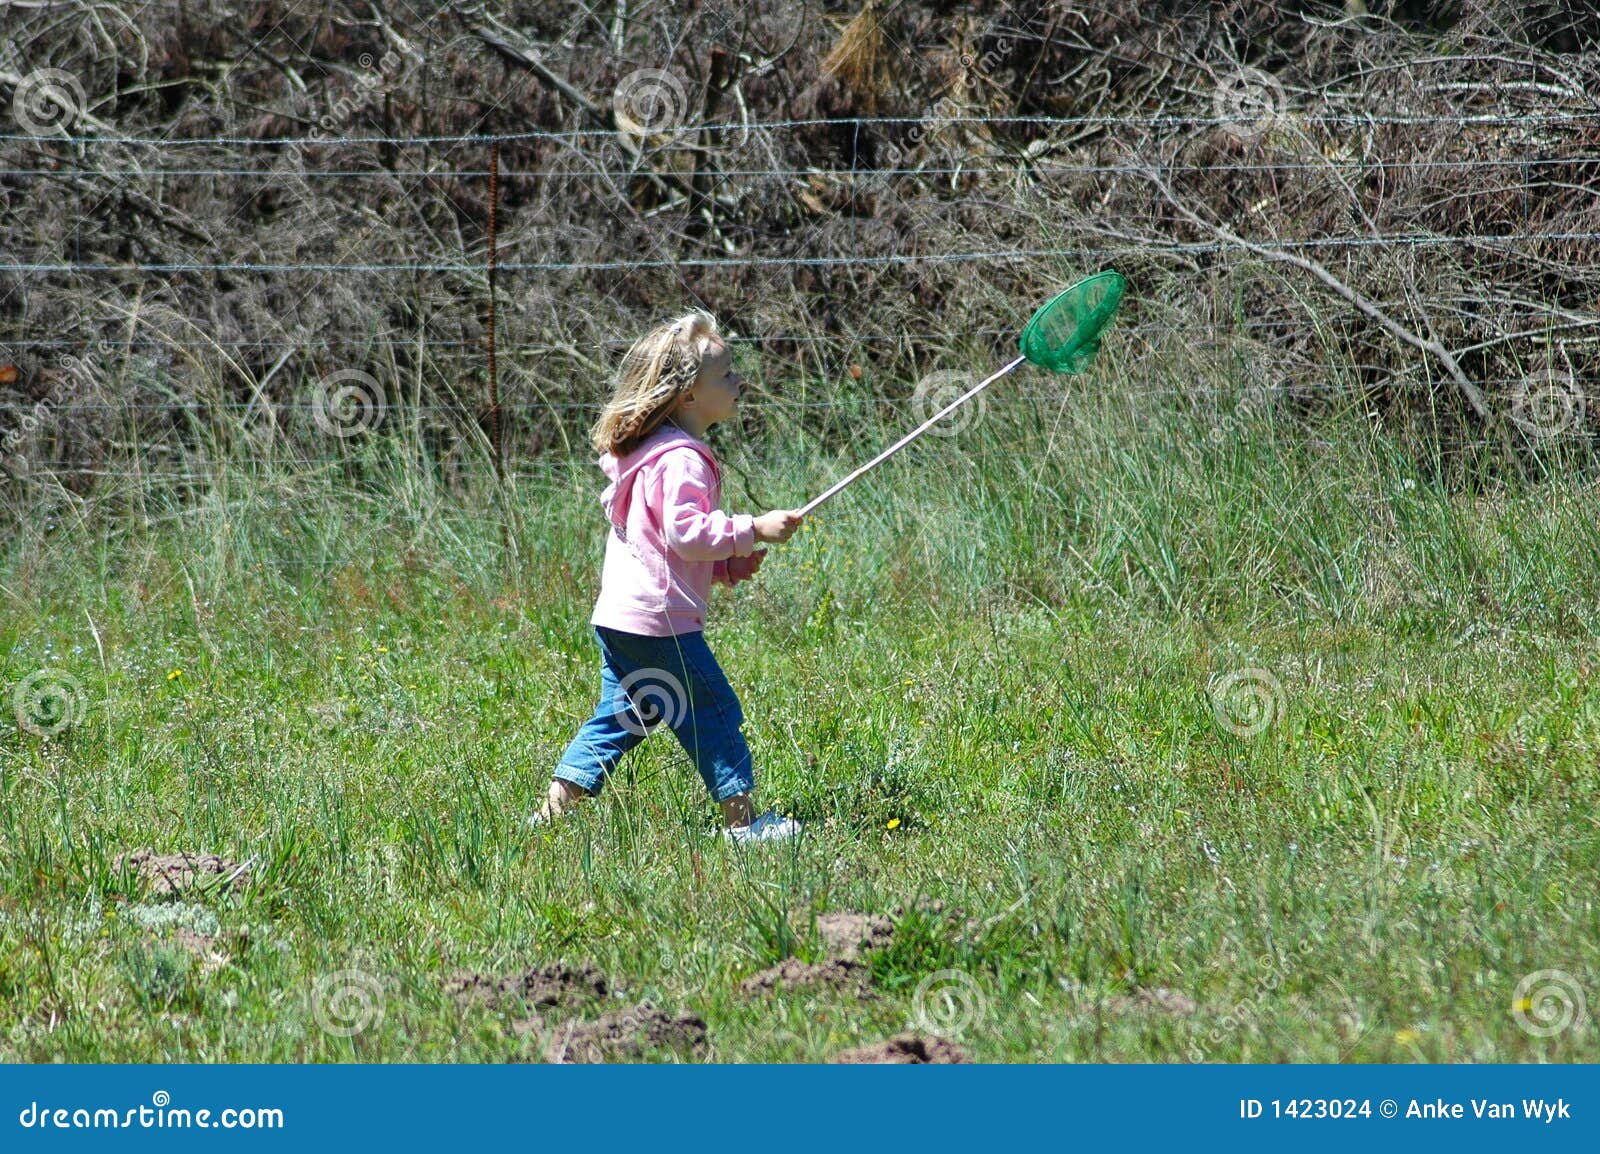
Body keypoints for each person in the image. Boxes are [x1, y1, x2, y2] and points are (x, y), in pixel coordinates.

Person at [533, 309, 805, 843]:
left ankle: (552, 815)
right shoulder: (683, 458)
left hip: (621, 618)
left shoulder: (651, 451)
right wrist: (753, 529)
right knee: (714, 711)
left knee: (624, 716)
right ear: (687, 396)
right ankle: (744, 826)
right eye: (725, 375)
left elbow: (660, 538)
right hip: (660, 625)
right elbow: (684, 532)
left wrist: (725, 563)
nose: (738, 382)